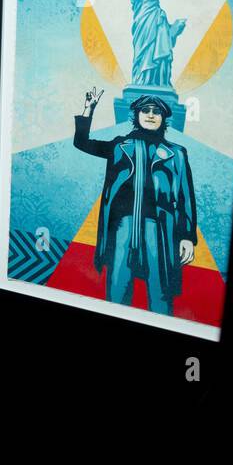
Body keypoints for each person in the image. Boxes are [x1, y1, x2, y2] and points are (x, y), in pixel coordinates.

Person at [74, 89, 196, 316]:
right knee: (118, 287)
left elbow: (185, 197)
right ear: (137, 115)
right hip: (122, 228)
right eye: (146, 110)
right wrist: (88, 110)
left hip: (160, 230)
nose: (151, 115)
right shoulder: (120, 146)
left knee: (160, 292)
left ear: (163, 118)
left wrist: (187, 237)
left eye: (156, 111)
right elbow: (82, 143)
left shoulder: (177, 154)